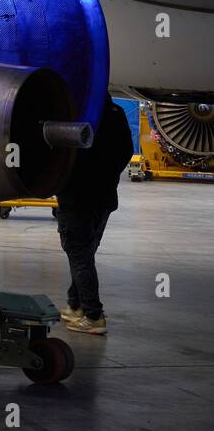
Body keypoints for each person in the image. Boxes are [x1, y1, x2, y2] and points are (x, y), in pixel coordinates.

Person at [56, 95, 135, 335]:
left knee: (80, 255)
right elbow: (126, 152)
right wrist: (107, 177)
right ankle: (75, 305)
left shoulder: (74, 113)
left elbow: (59, 155)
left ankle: (93, 315)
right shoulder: (116, 112)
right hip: (105, 197)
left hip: (77, 198)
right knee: (85, 254)